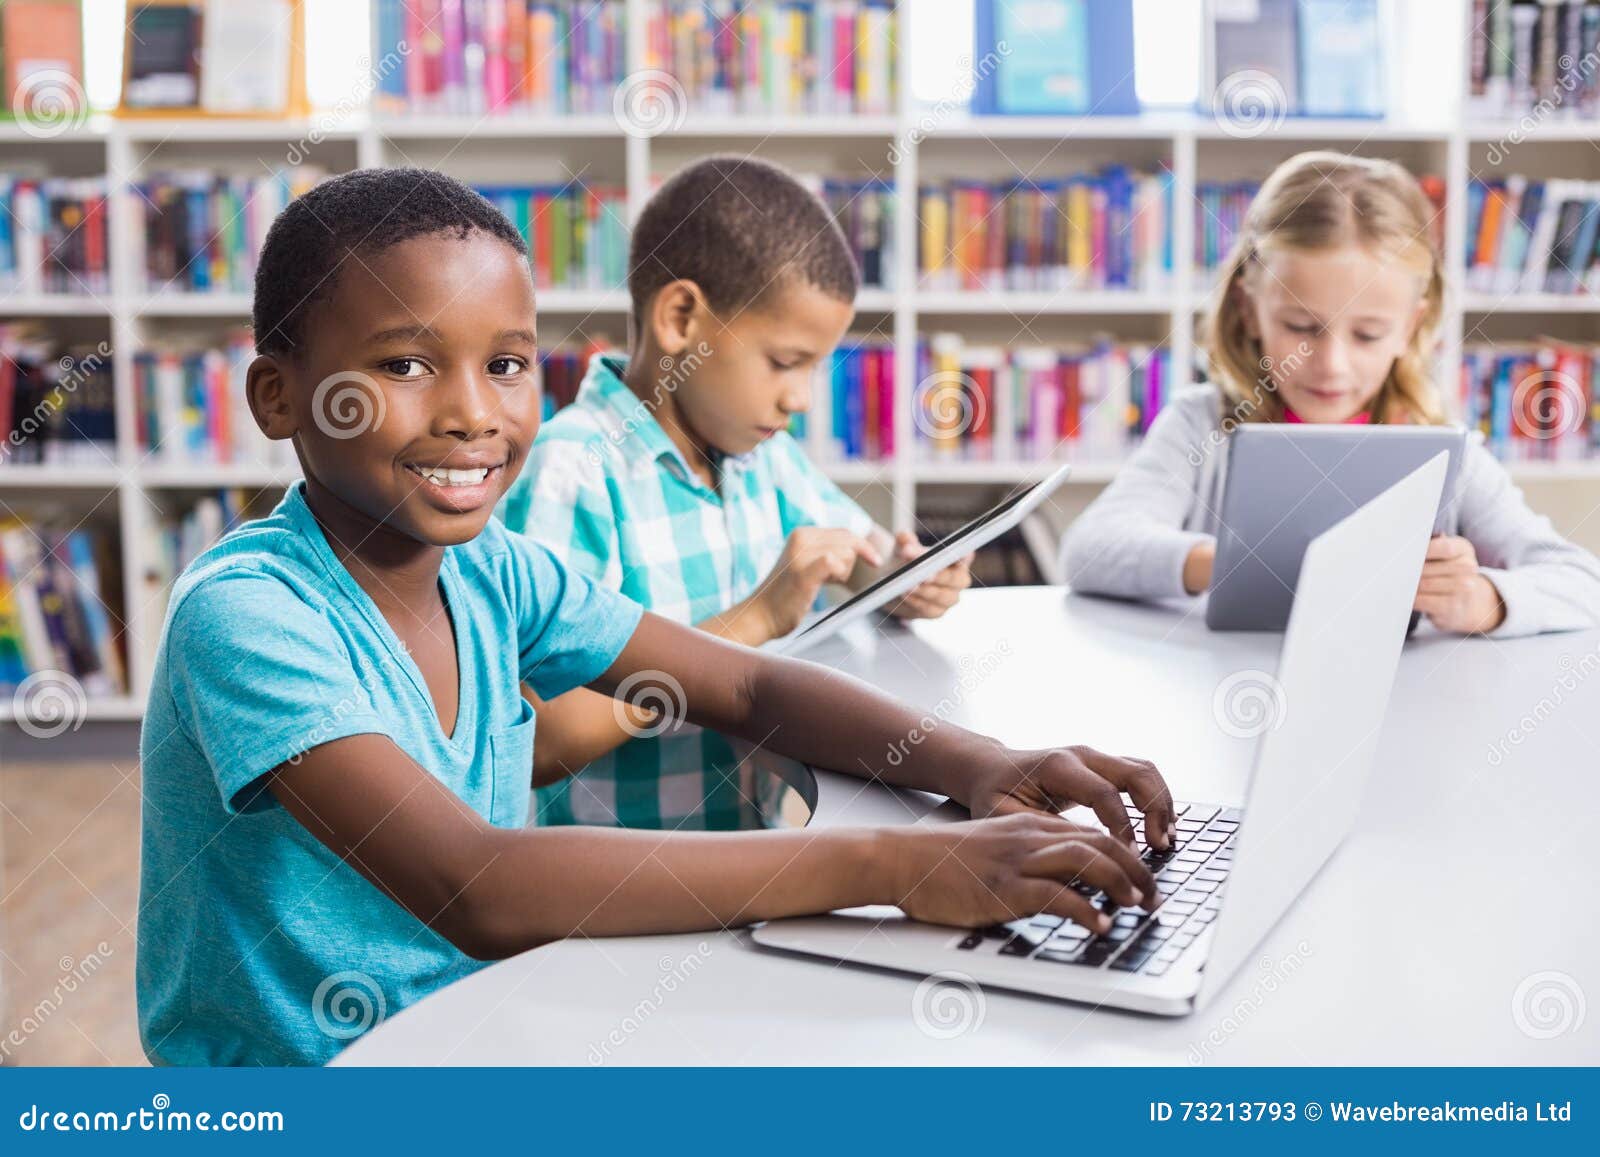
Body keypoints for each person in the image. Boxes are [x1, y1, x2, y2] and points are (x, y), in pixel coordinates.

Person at [136, 167, 1174, 1066]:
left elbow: (746, 680)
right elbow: (473, 883)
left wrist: (976, 762)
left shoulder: (498, 569)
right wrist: (896, 866)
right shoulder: (249, 613)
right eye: (405, 364)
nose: (472, 412)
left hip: (481, 1025)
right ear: (278, 397)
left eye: (504, 363)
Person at [499, 156, 971, 827]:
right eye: (785, 362)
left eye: (816, 366)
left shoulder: (763, 457)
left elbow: (853, 554)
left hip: (757, 855)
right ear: (682, 318)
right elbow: (546, 738)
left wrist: (902, 577)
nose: (801, 398)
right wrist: (753, 620)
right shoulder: (572, 472)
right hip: (627, 892)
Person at [1062, 151, 1600, 637]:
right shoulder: (1202, 423)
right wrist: (1239, 564)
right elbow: (1090, 551)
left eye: (1367, 334)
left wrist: (1486, 600)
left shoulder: (1438, 446)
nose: (1331, 365)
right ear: (1250, 310)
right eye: (1301, 326)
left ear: (1412, 329)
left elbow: (1582, 582)